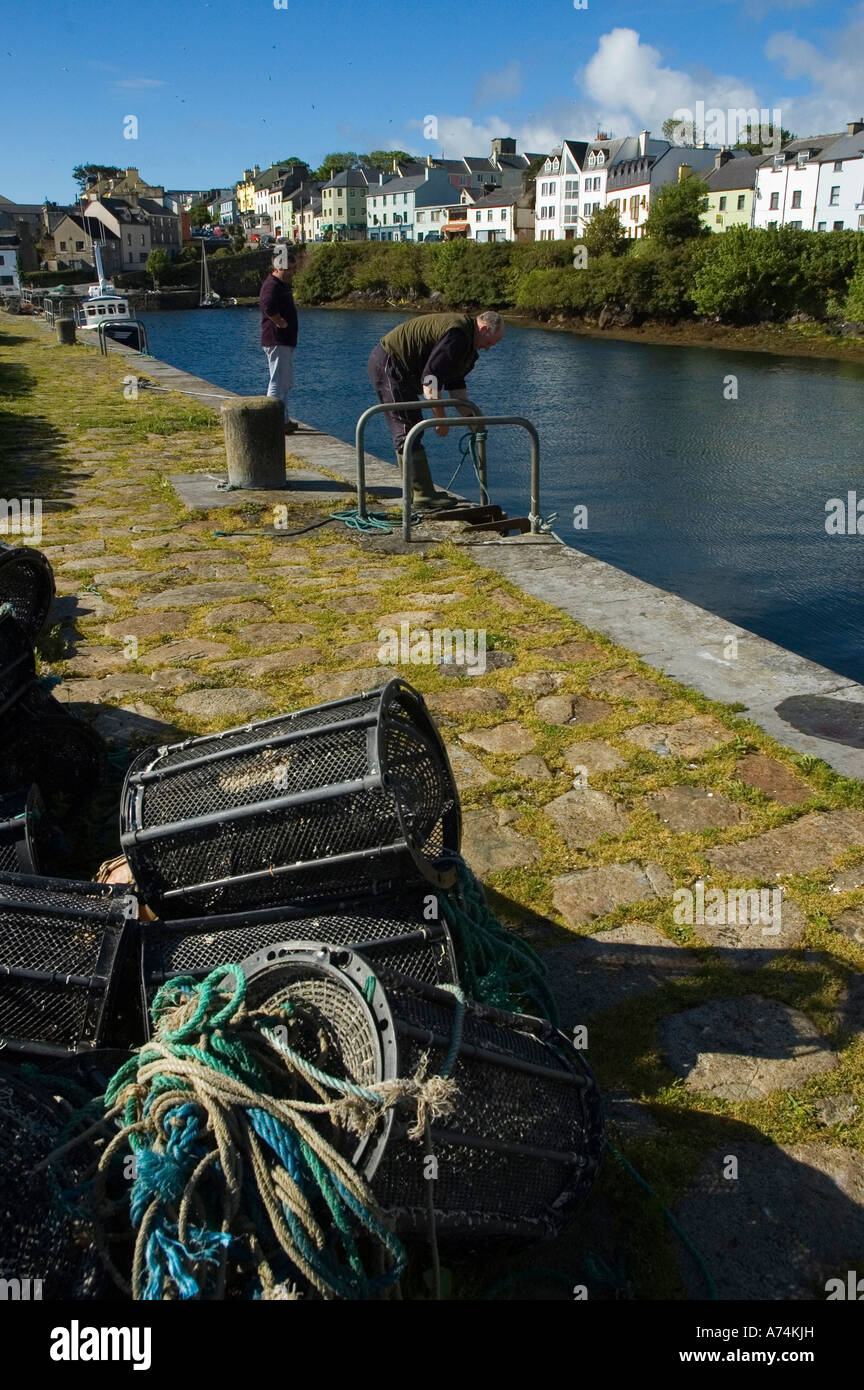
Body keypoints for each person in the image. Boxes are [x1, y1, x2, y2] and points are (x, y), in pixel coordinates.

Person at [367, 310, 505, 504]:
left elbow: (455, 384)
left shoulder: (466, 344)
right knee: (407, 429)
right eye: (490, 343)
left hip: (401, 369)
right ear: (482, 328)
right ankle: (422, 495)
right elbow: (430, 379)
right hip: (389, 363)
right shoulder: (457, 335)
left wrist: (472, 422)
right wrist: (440, 419)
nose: (488, 348)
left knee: (412, 426)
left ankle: (422, 492)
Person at [260, 250, 299, 434]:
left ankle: (282, 419)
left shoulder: (280, 285)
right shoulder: (272, 285)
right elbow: (267, 304)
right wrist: (279, 321)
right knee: (277, 381)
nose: (291, 272)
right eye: (288, 269)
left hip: (284, 340)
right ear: (277, 267)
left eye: (293, 269)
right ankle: (273, 420)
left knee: (285, 382)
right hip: (277, 339)